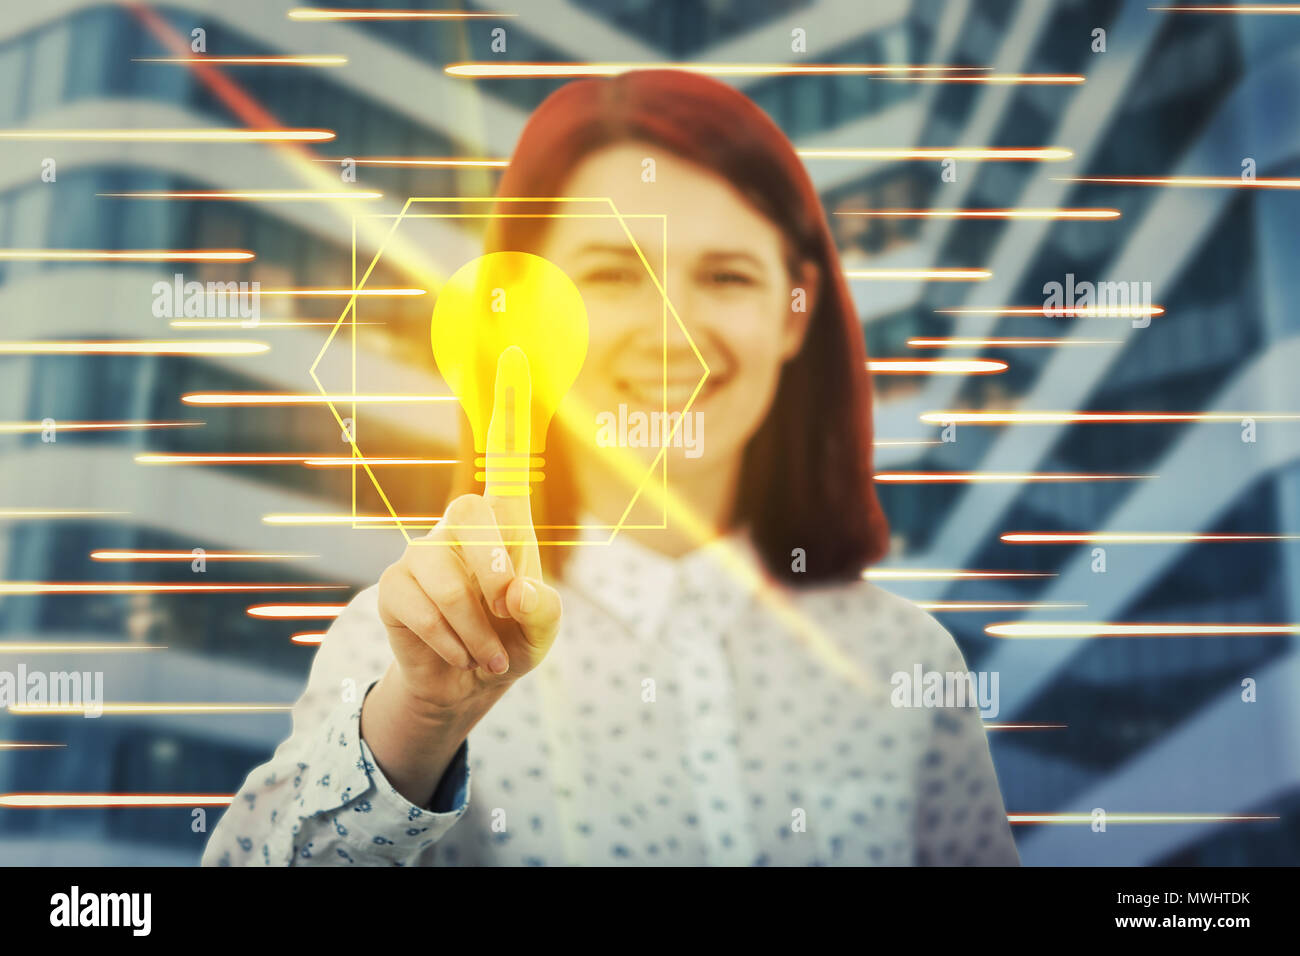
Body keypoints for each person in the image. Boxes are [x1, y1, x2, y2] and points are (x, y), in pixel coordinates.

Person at [203, 69, 1020, 867]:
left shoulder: (906, 660)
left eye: (727, 276)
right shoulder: (408, 652)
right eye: (613, 274)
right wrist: (419, 726)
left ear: (793, 309)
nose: (673, 333)